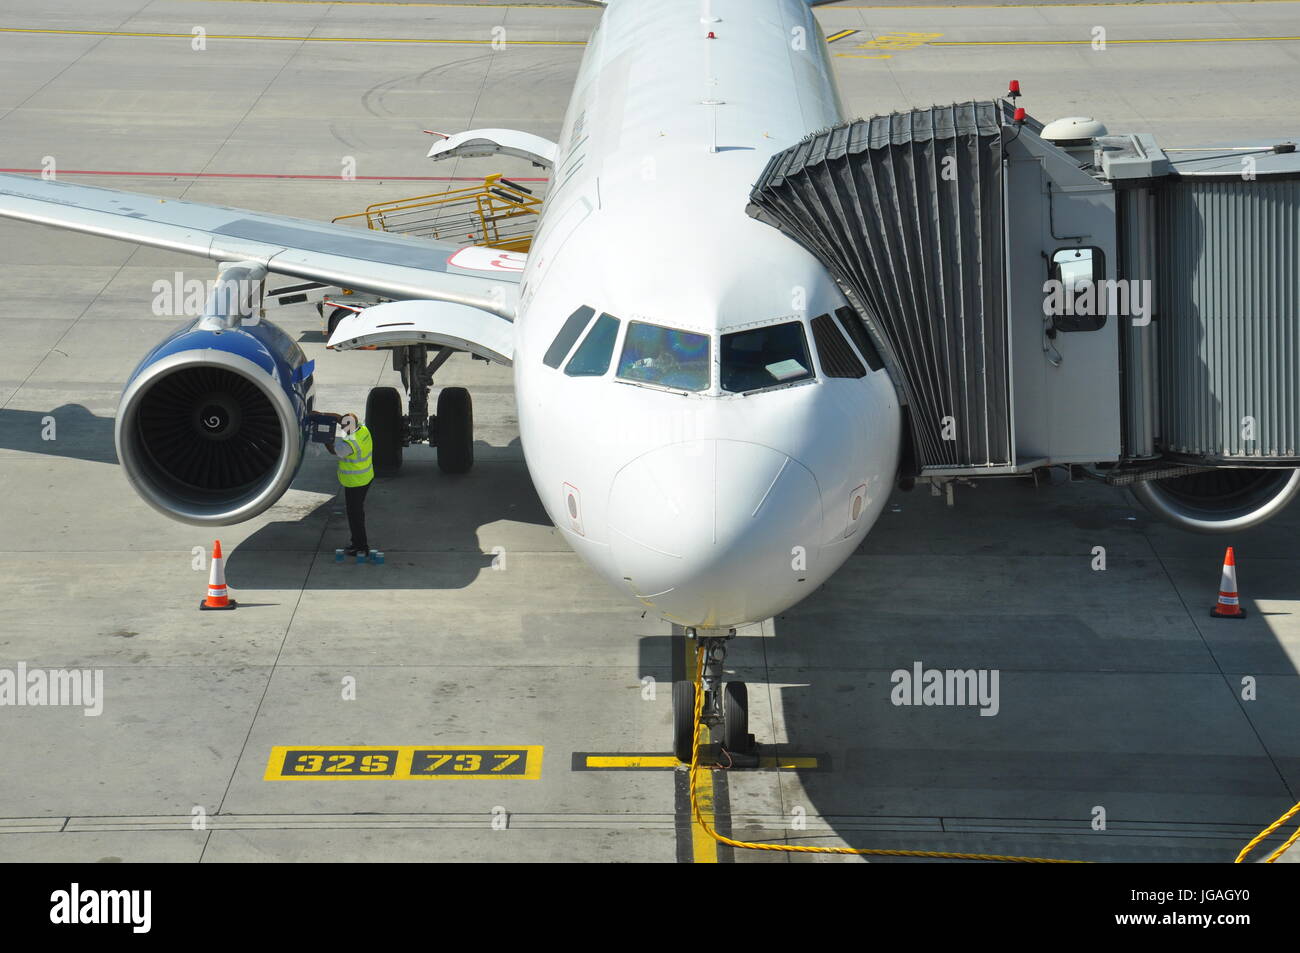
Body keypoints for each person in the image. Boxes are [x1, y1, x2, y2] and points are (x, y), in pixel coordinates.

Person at [329, 412, 374, 556]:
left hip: (356, 482)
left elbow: (333, 451)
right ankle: (357, 542)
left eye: (343, 427)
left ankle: (361, 547)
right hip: (366, 477)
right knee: (356, 513)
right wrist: (323, 415)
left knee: (355, 515)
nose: (342, 429)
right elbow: (340, 418)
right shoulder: (362, 429)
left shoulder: (350, 443)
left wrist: (324, 438)